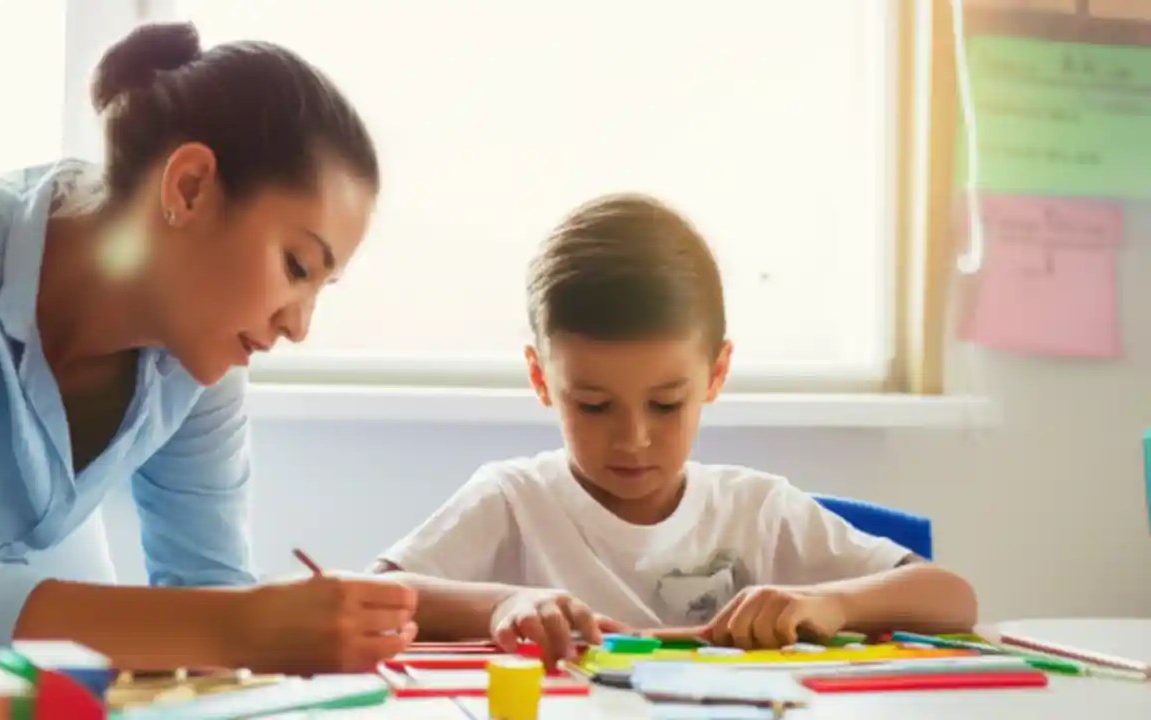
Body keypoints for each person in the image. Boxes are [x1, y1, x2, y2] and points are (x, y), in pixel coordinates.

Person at [0, 22, 416, 674]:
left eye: (321, 287)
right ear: (190, 187)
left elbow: (210, 588)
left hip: (13, 646)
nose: (298, 327)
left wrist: (262, 627)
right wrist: (244, 625)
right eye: (297, 267)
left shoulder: (201, 350)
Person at [373, 194, 979, 667]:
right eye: (593, 405)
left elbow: (952, 597)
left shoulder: (757, 511)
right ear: (541, 378)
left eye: (665, 405)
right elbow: (374, 597)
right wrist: (504, 603)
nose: (633, 438)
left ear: (716, 374)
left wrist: (831, 602)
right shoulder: (514, 502)